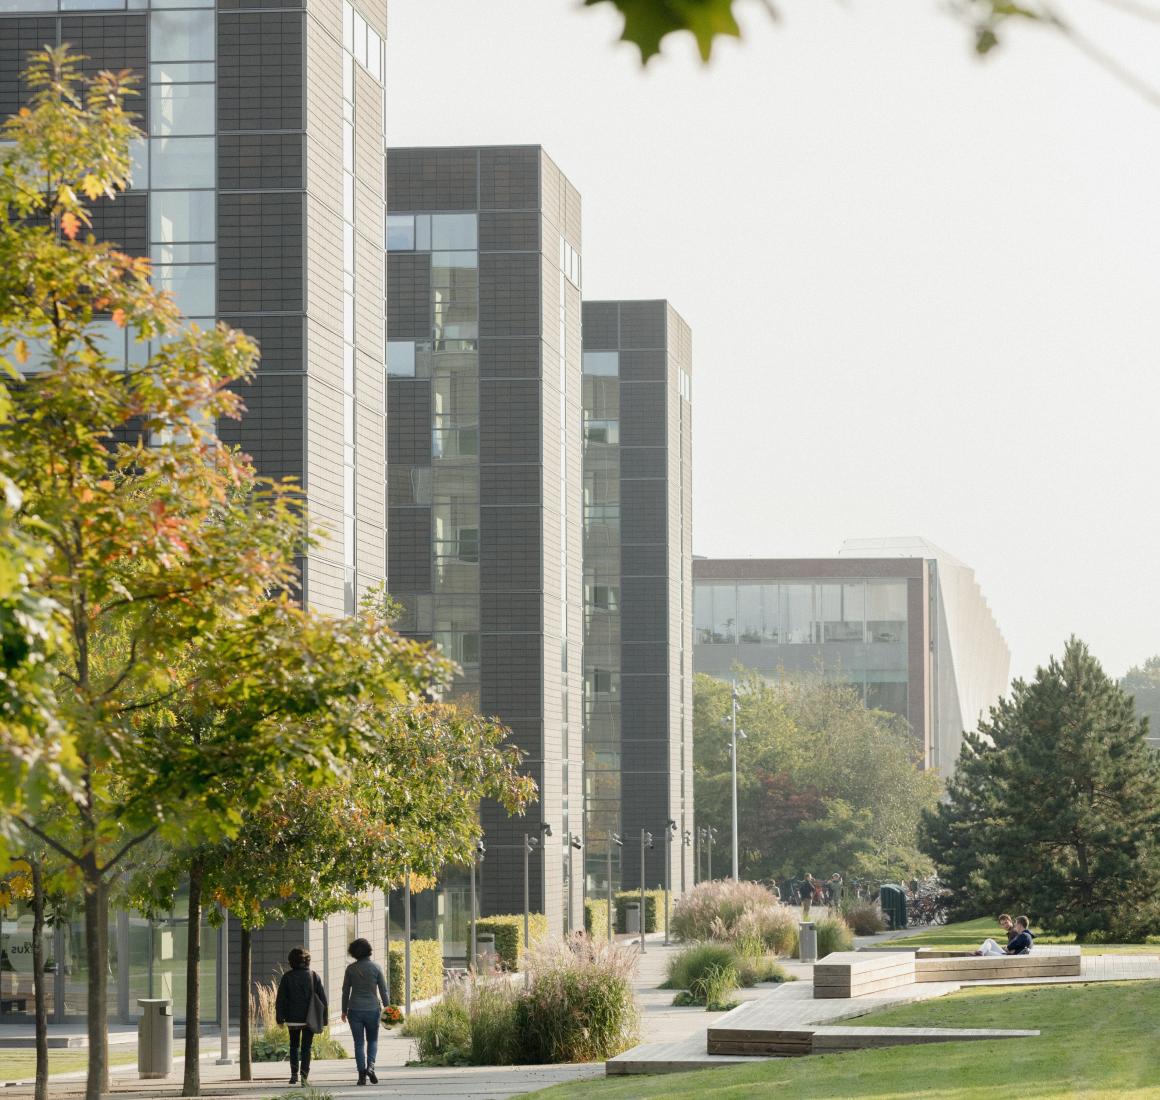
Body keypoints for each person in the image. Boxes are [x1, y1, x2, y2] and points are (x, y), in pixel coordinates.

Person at [275, 947, 327, 1086]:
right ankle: (304, 1078)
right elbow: (322, 999)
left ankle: (293, 1076)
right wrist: (324, 1019)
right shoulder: (313, 976)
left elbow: (281, 999)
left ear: (291, 961)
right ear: (307, 961)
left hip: (292, 1018)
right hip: (309, 1018)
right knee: (306, 1048)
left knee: (293, 1046)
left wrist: (280, 1018)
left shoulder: (287, 977)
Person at [342, 937, 390, 1086]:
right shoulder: (376, 968)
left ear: (354, 953)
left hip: (354, 1010)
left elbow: (345, 991)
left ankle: (361, 1075)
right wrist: (388, 1010)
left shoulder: (350, 969)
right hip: (372, 1010)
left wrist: (344, 1010)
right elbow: (383, 991)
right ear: (369, 951)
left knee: (358, 1043)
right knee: (373, 1040)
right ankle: (371, 1066)